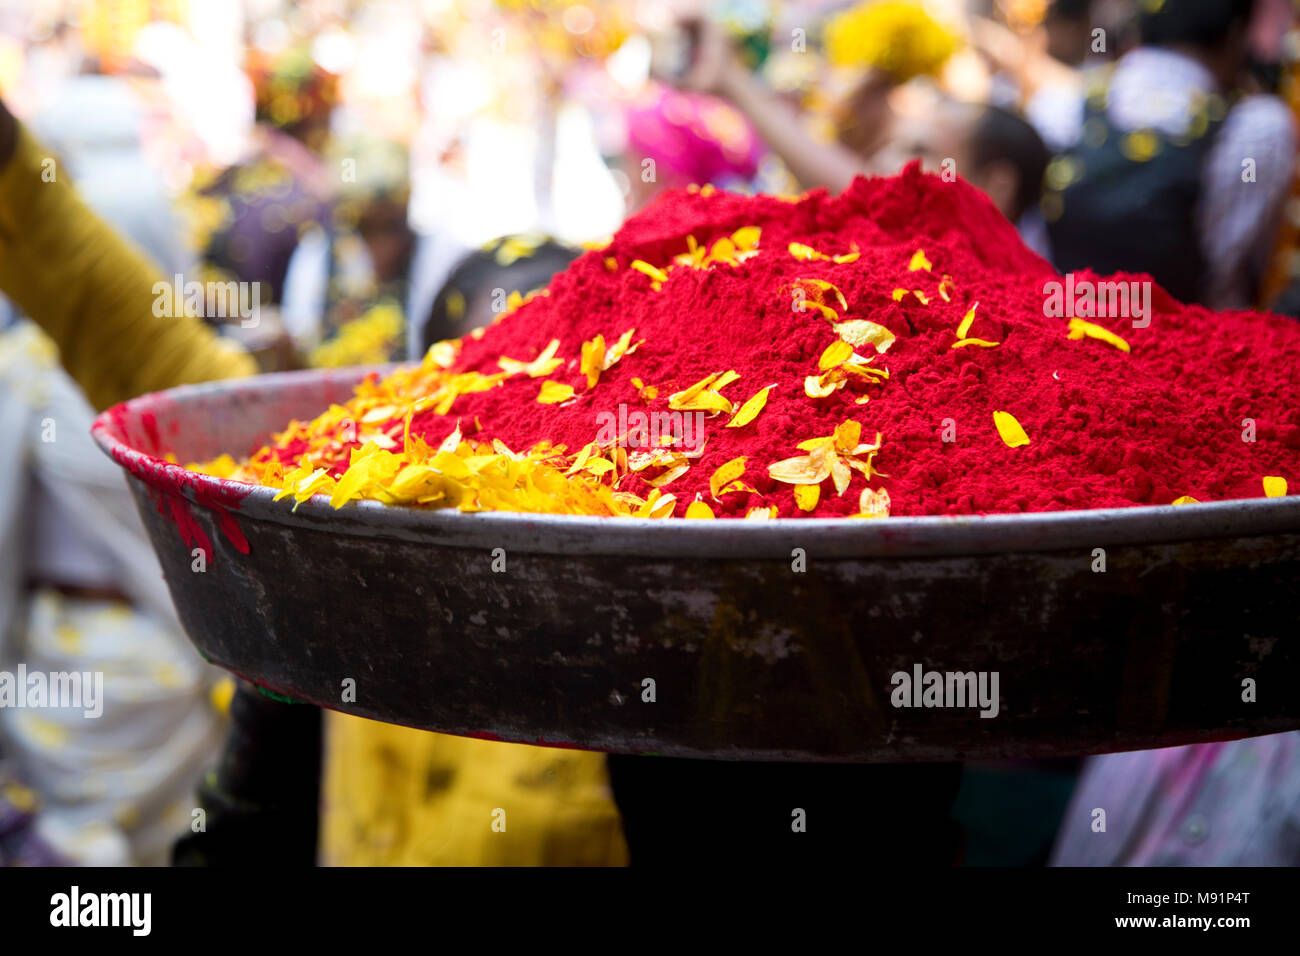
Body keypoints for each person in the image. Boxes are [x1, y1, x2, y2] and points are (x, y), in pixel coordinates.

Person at [1040, 0, 1296, 307]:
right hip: (1189, 339)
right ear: (1235, 37)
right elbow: (1229, 269)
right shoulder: (1260, 128)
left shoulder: (1058, 103)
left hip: (1065, 320)